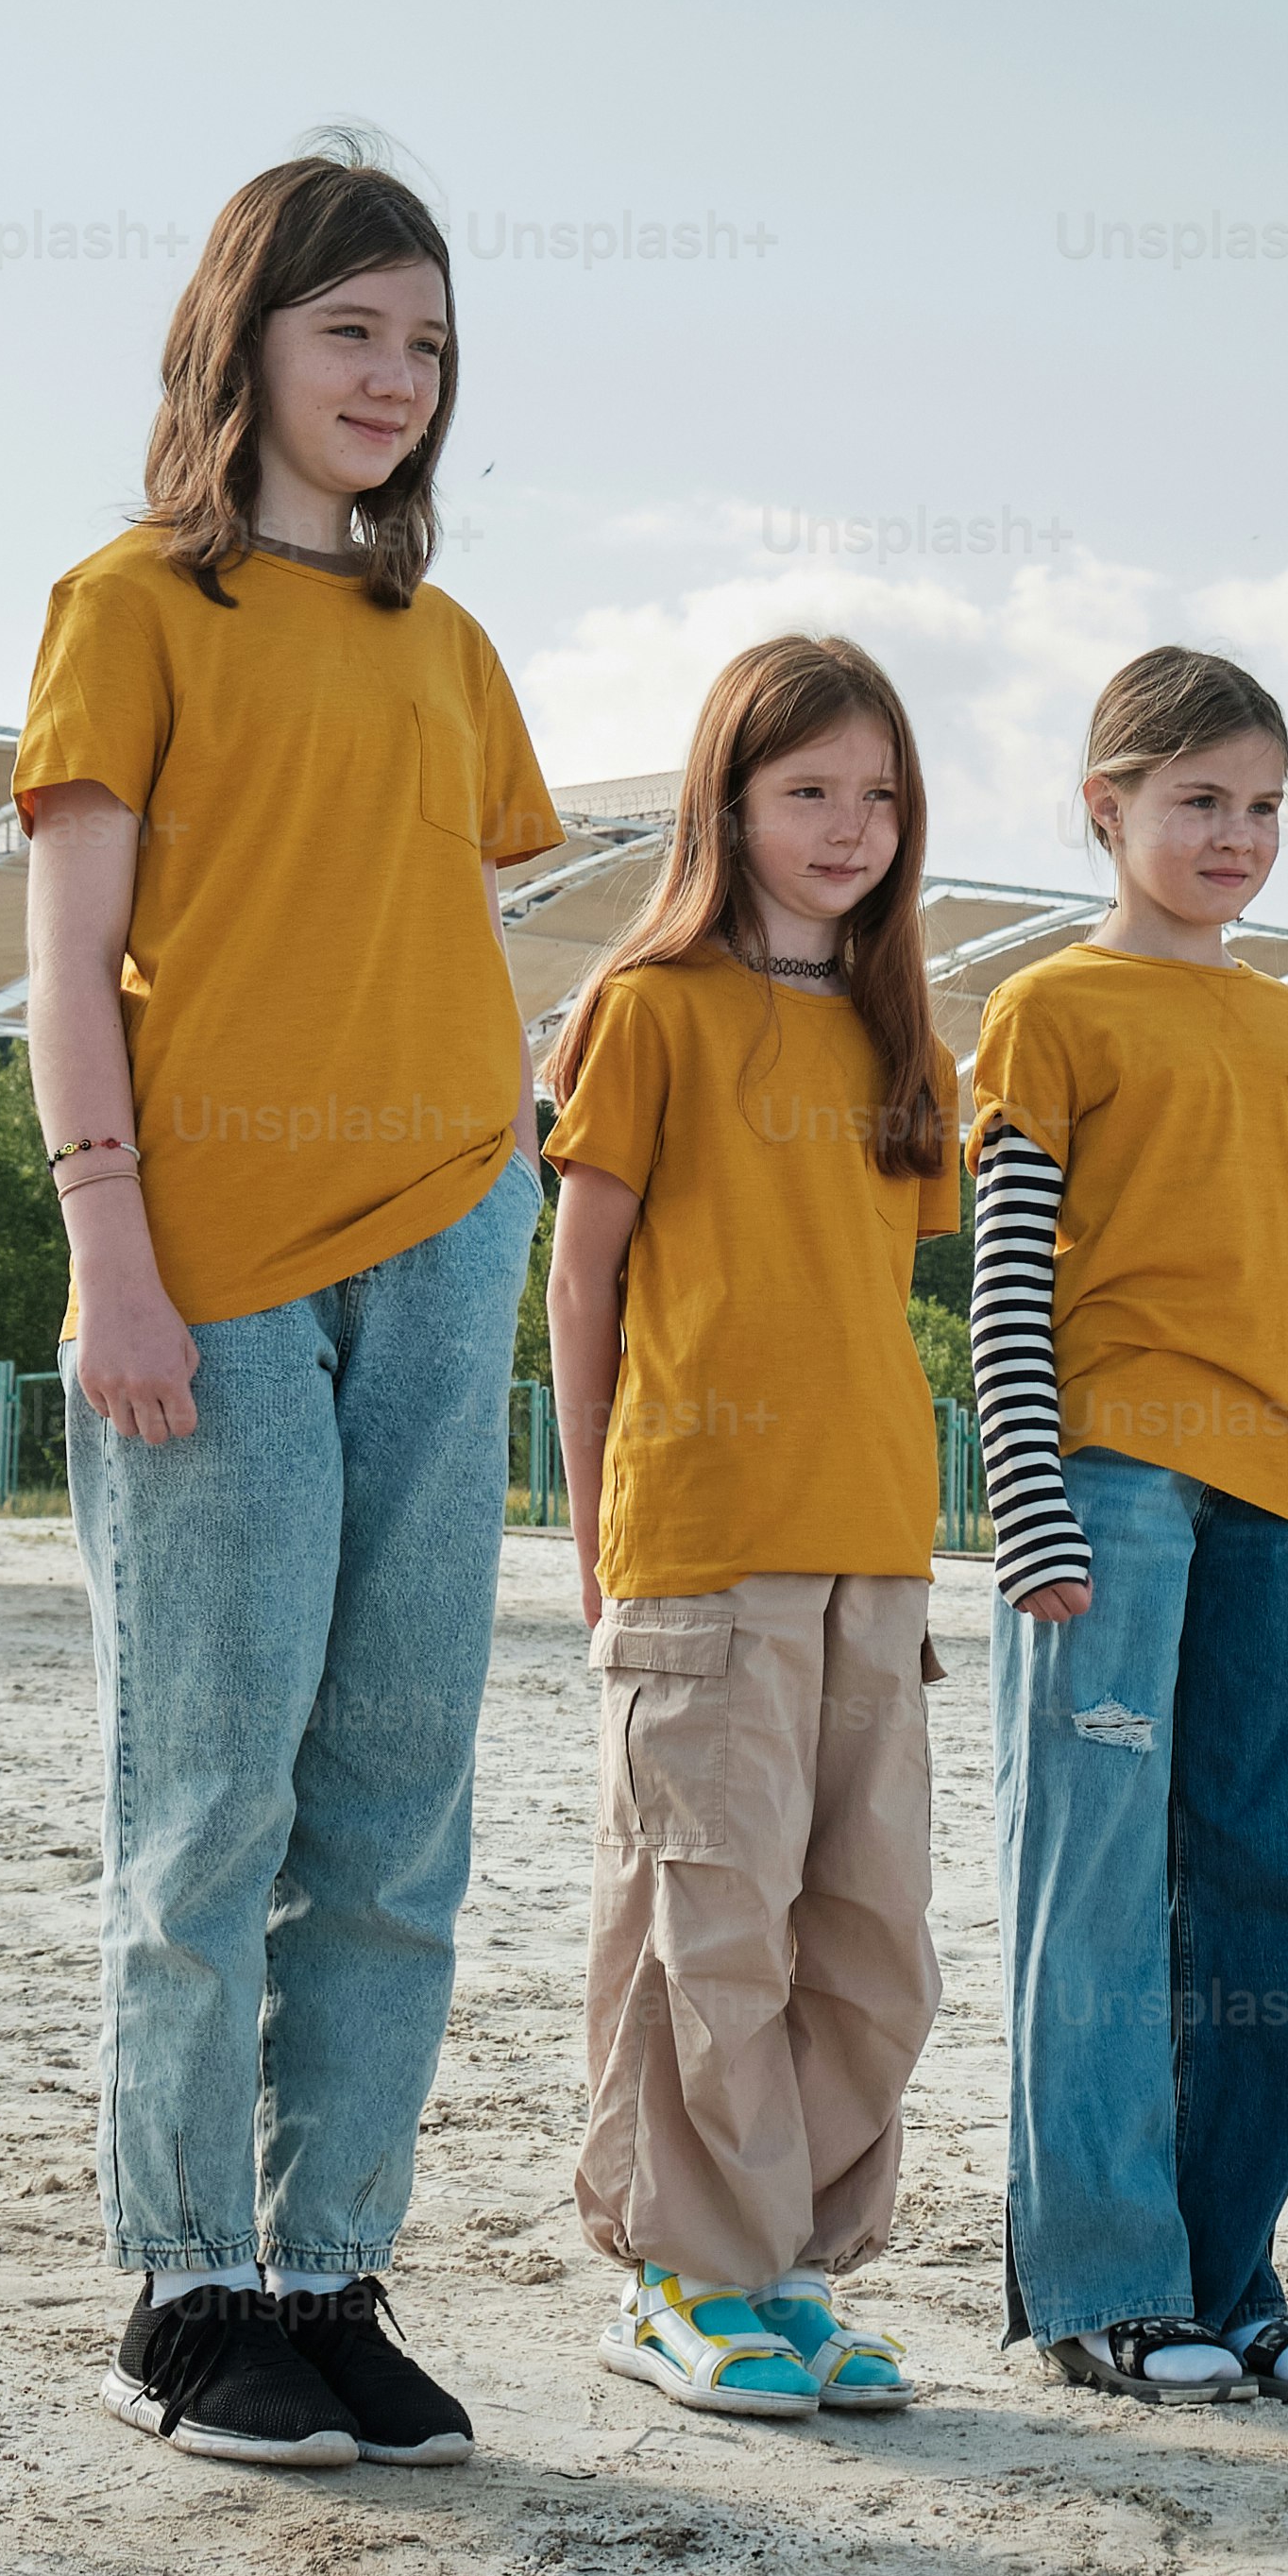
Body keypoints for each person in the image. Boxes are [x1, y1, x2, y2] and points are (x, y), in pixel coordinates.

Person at [26, 143, 565, 2478]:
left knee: (397, 1797)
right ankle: (184, 2280)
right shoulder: (130, 606)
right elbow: (68, 966)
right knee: (212, 1790)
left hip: (452, 1234)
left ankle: (333, 2264)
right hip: (212, 1272)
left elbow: (438, 922)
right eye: (353, 328)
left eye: (427, 344)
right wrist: (107, 1251)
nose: (392, 378)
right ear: (241, 337)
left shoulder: (450, 652)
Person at [967, 647, 1288, 2406]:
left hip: (1263, 1509)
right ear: (1108, 811)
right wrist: (1026, 1501)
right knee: (1093, 1897)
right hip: (1100, 1490)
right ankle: (1102, 2281)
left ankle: (1229, 2271)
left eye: (1262, 808)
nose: (1236, 837)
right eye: (1198, 802)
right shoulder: (1050, 1012)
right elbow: (1007, 1275)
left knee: (1275, 1894)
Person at [539, 634, 966, 2422]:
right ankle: (684, 2276)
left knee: (867, 1934)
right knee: (706, 1925)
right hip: (701, 1540)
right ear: (728, 800)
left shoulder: (898, 1033)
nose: (848, 824)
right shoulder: (646, 1009)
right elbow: (581, 1285)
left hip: (878, 1544)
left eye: (877, 794)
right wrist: (592, 1535)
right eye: (809, 790)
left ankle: (788, 2269)